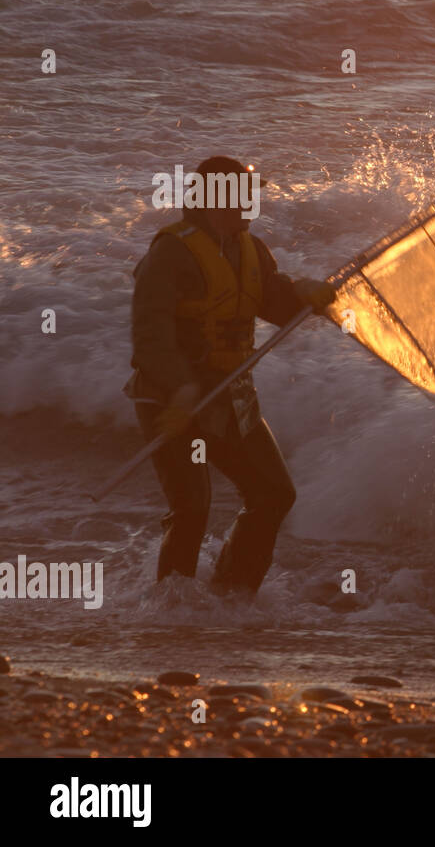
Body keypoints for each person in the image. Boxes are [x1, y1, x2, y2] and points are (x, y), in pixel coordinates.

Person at [125, 156, 336, 595]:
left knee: (274, 494)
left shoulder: (251, 249)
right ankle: (172, 611)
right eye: (241, 194)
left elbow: (274, 300)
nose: (251, 203)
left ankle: (232, 595)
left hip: (230, 396)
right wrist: (180, 391)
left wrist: (304, 294)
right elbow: (149, 339)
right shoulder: (169, 254)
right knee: (191, 508)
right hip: (170, 400)